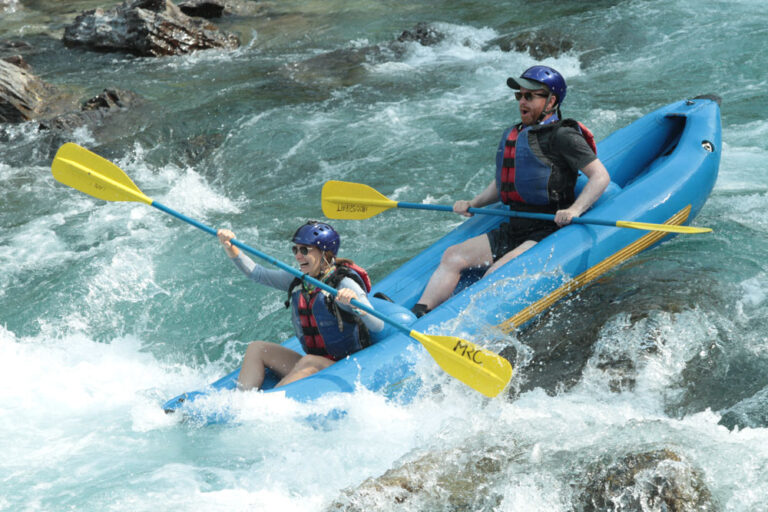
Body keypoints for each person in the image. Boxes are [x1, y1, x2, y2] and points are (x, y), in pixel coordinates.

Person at [411, 65, 611, 317]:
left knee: (496, 275)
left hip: (547, 227)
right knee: (453, 256)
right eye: (519, 95)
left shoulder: (563, 136)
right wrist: (475, 202)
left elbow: (600, 176)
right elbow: (505, 182)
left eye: (530, 96)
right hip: (515, 224)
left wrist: (574, 209)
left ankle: (451, 324)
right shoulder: (516, 134)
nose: (522, 101)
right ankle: (418, 315)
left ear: (551, 101)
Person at [217, 221, 384, 390]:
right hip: (314, 363)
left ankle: (265, 403)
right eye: (295, 249)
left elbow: (378, 325)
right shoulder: (300, 279)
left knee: (309, 361)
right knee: (257, 348)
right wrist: (230, 247)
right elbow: (257, 274)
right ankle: (241, 399)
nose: (298, 256)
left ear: (325, 254)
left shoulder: (344, 285)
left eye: (304, 250)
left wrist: (356, 305)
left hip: (346, 367)